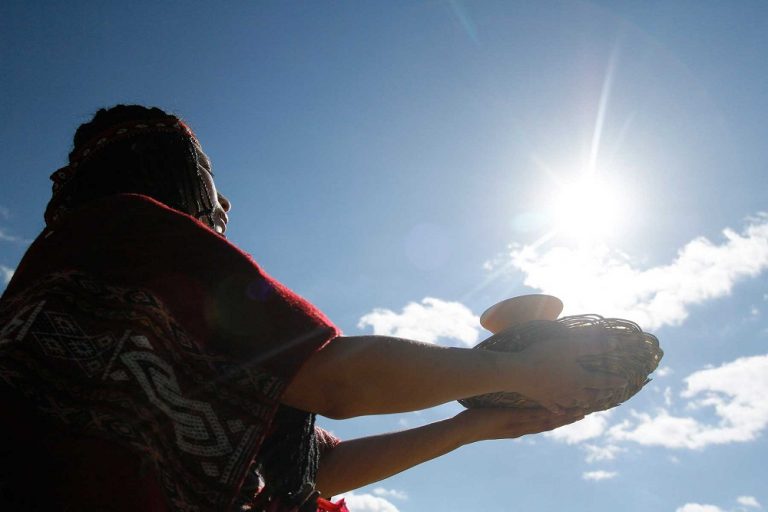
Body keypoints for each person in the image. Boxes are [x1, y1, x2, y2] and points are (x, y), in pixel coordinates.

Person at [0, 105, 624, 512]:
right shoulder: (133, 232)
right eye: (209, 183)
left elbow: (306, 468)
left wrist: (476, 425)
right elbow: (334, 381)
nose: (225, 205)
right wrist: (522, 372)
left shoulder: (74, 275)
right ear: (170, 177)